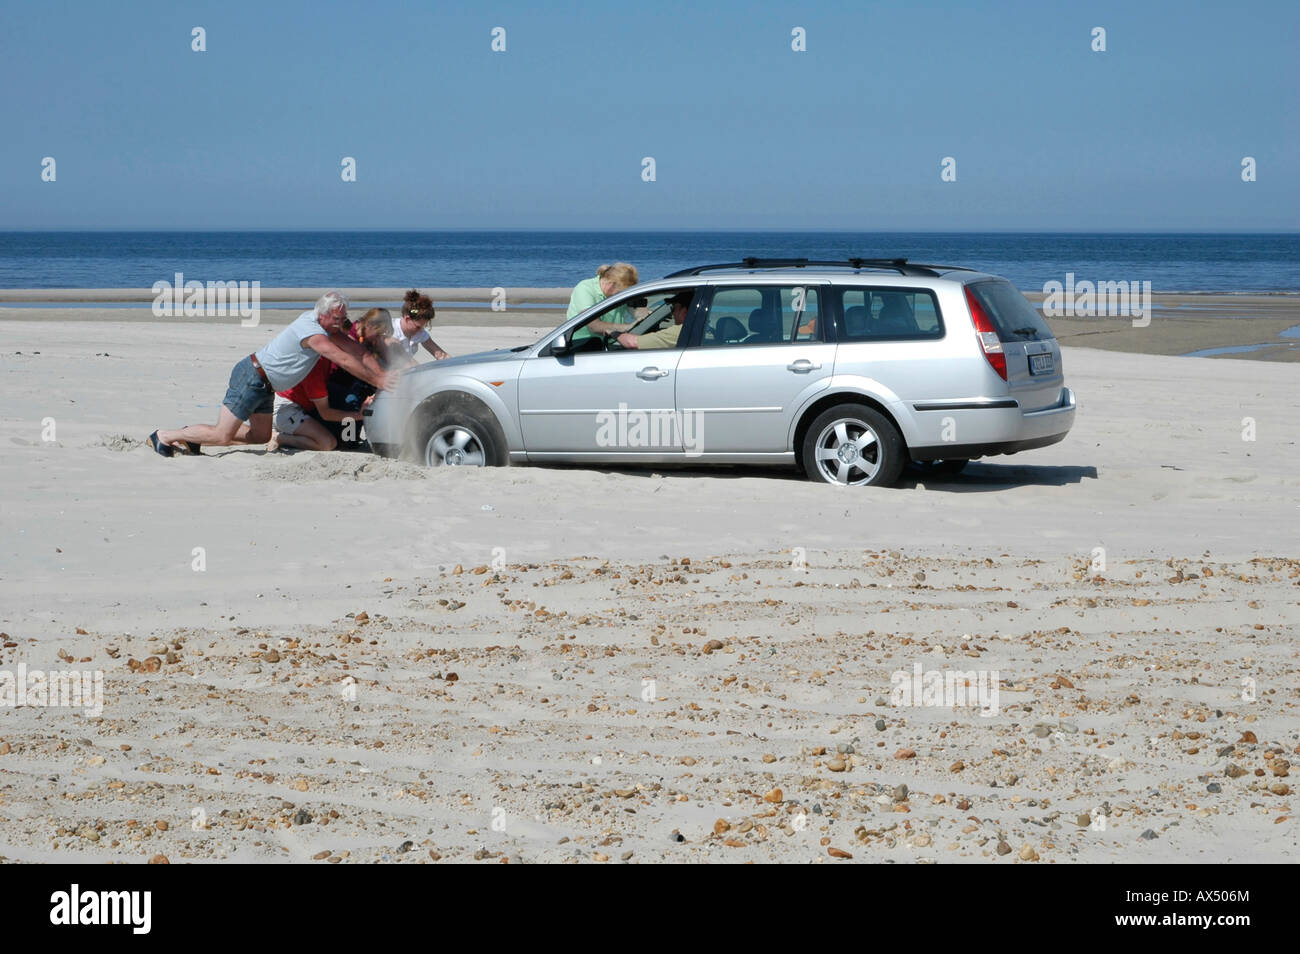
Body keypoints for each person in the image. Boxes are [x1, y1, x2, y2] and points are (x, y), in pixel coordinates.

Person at [149, 291, 395, 457]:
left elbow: (357, 351)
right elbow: (342, 358)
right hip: (252, 376)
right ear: (322, 314)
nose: (341, 323)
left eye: (343, 319)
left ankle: (194, 436)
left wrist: (384, 375)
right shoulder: (312, 330)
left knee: (260, 436)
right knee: (222, 434)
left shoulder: (328, 328)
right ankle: (165, 435)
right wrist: (378, 380)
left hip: (267, 386)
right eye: (337, 318)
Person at [269, 308, 396, 452]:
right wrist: (359, 414)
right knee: (351, 403)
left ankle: (352, 439)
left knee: (357, 398)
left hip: (324, 390)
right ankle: (347, 440)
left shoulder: (353, 336)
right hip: (309, 397)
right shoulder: (322, 358)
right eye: (378, 333)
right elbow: (349, 364)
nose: (378, 338)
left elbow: (364, 357)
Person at [568, 263, 639, 336]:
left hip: (611, 341)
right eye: (621, 292)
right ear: (611, 284)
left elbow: (637, 311)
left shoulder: (619, 291)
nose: (624, 295)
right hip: (582, 342)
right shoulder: (585, 288)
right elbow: (594, 326)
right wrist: (628, 327)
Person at [617, 290, 692, 349]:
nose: (672, 314)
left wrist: (613, 333)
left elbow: (632, 343)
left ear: (684, 312)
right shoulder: (698, 329)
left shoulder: (680, 331)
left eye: (673, 309)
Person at [391, 289, 449, 360]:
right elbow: (406, 362)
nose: (421, 331)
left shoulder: (418, 332)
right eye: (418, 327)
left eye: (423, 327)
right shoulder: (390, 330)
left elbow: (440, 355)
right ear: (407, 319)